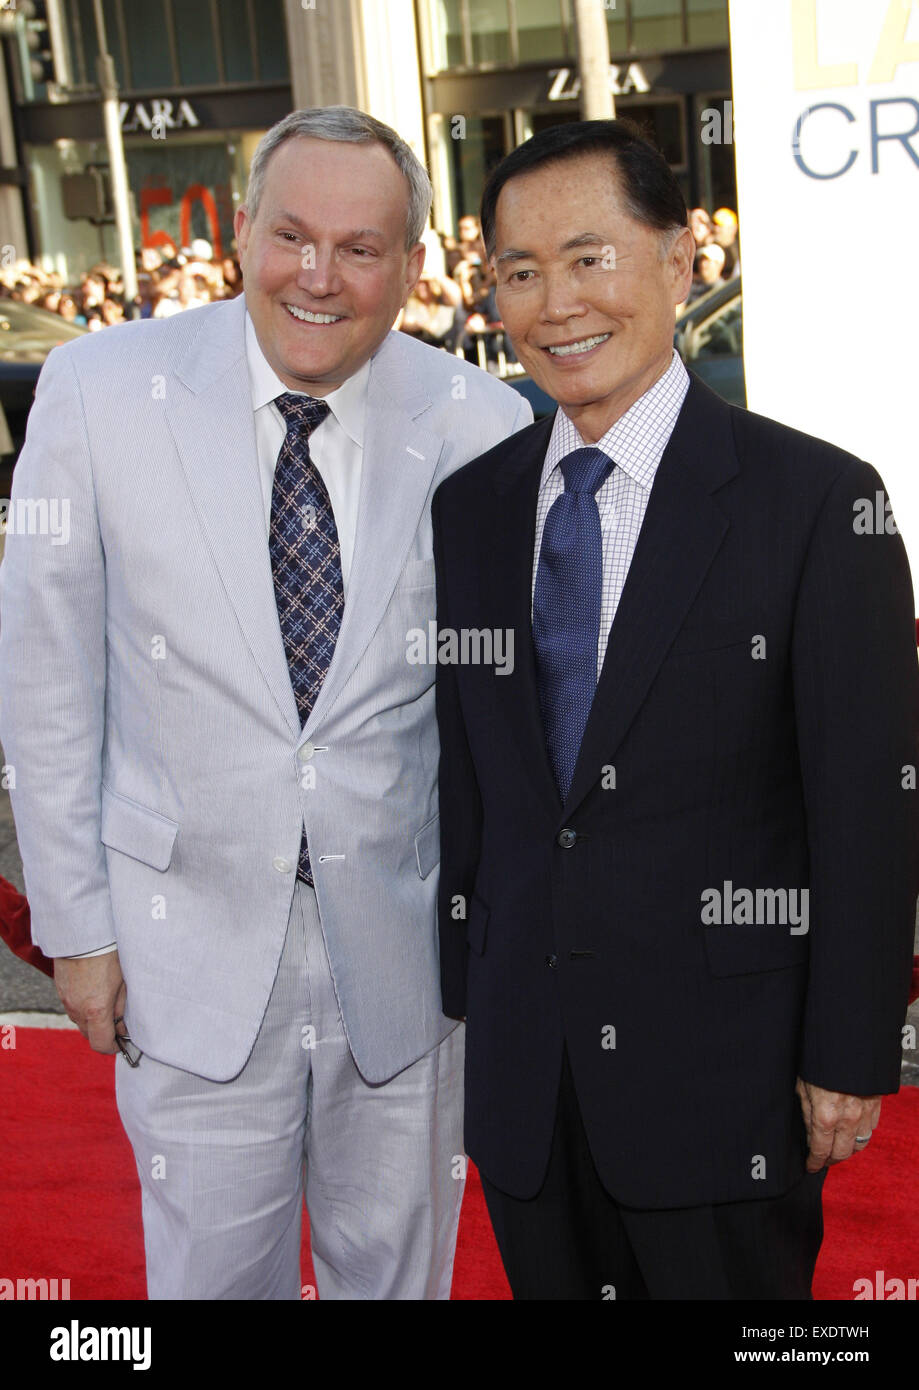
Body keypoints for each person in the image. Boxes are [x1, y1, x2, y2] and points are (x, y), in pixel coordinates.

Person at [0, 104, 531, 1301]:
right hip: (180, 949)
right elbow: (45, 681)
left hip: (405, 960)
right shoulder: (95, 390)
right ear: (242, 232)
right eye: (291, 234)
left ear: (410, 263)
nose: (319, 276)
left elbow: (508, 716)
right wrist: (77, 932)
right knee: (206, 1281)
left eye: (360, 247)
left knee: (397, 1278)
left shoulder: (481, 425)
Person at [432, 119, 919, 1300]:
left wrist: (847, 1052)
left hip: (728, 1079)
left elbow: (864, 800)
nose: (556, 304)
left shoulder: (814, 500)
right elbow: (476, 777)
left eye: (590, 256)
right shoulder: (473, 507)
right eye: (519, 271)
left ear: (679, 258)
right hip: (528, 1078)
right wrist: (468, 992)